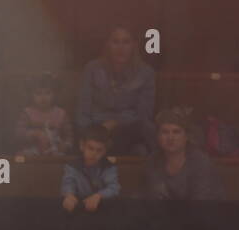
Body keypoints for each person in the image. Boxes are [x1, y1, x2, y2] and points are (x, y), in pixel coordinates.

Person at [76, 25, 156, 156]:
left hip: (130, 128)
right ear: (107, 44)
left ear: (134, 45)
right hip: (96, 127)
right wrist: (95, 132)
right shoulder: (92, 69)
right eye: (115, 42)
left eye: (126, 42)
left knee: (144, 137)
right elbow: (82, 111)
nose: (121, 48)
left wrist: (116, 123)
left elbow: (144, 114)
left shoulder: (145, 73)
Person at [144, 106, 221, 200]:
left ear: (186, 136)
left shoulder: (201, 163)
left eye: (176, 132)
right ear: (158, 137)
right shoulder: (152, 161)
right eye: (164, 132)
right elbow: (153, 200)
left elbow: (201, 204)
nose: (170, 138)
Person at [61, 125, 120, 212]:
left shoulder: (108, 167)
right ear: (82, 146)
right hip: (78, 206)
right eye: (90, 148)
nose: (94, 153)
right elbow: (68, 183)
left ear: (105, 151)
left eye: (99, 150)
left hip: (102, 207)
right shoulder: (72, 166)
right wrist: (69, 195)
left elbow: (114, 188)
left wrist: (98, 196)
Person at [14, 73, 72, 158]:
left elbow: (69, 137)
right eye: (38, 93)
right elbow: (18, 133)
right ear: (31, 95)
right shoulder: (27, 113)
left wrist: (64, 146)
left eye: (47, 93)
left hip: (54, 151)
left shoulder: (61, 114)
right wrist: (35, 134)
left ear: (54, 94)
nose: (43, 97)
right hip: (32, 152)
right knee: (21, 157)